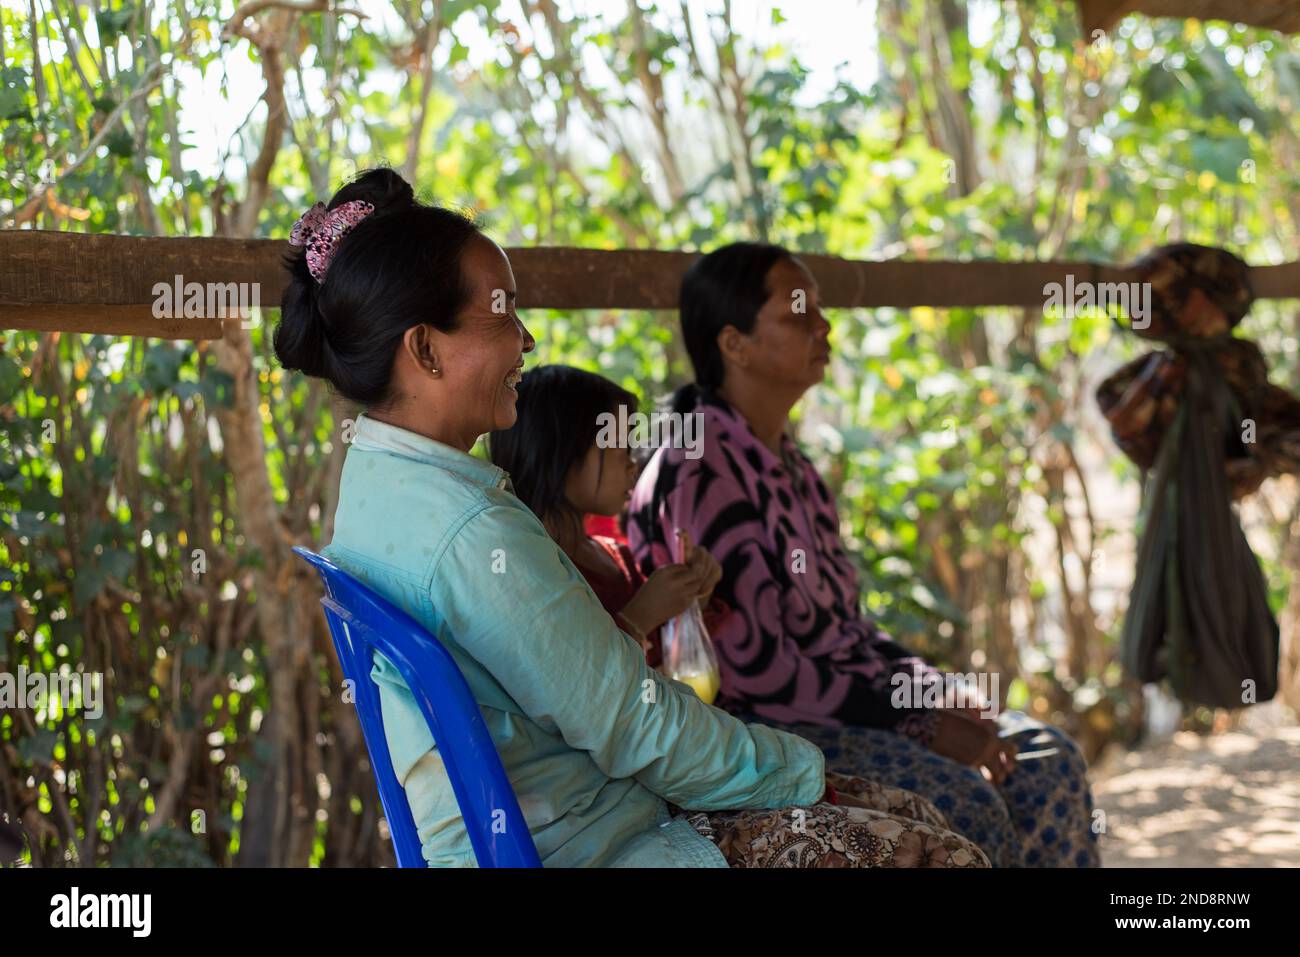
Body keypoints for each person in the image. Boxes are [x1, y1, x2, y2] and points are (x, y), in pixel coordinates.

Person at [273, 168, 989, 868]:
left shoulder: (375, 485)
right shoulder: (471, 529)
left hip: (555, 827)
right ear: (426, 349)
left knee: (913, 814)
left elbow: (590, 691)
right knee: (940, 850)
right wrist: (805, 773)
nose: (526, 340)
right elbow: (633, 722)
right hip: (600, 842)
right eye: (502, 313)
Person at [627, 241, 1101, 867]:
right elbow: (761, 675)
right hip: (770, 733)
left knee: (1044, 759)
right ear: (734, 344)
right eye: (799, 312)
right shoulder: (702, 471)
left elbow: (842, 631)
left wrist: (930, 690)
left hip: (848, 705)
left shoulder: (790, 465)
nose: (823, 326)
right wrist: (916, 721)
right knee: (966, 800)